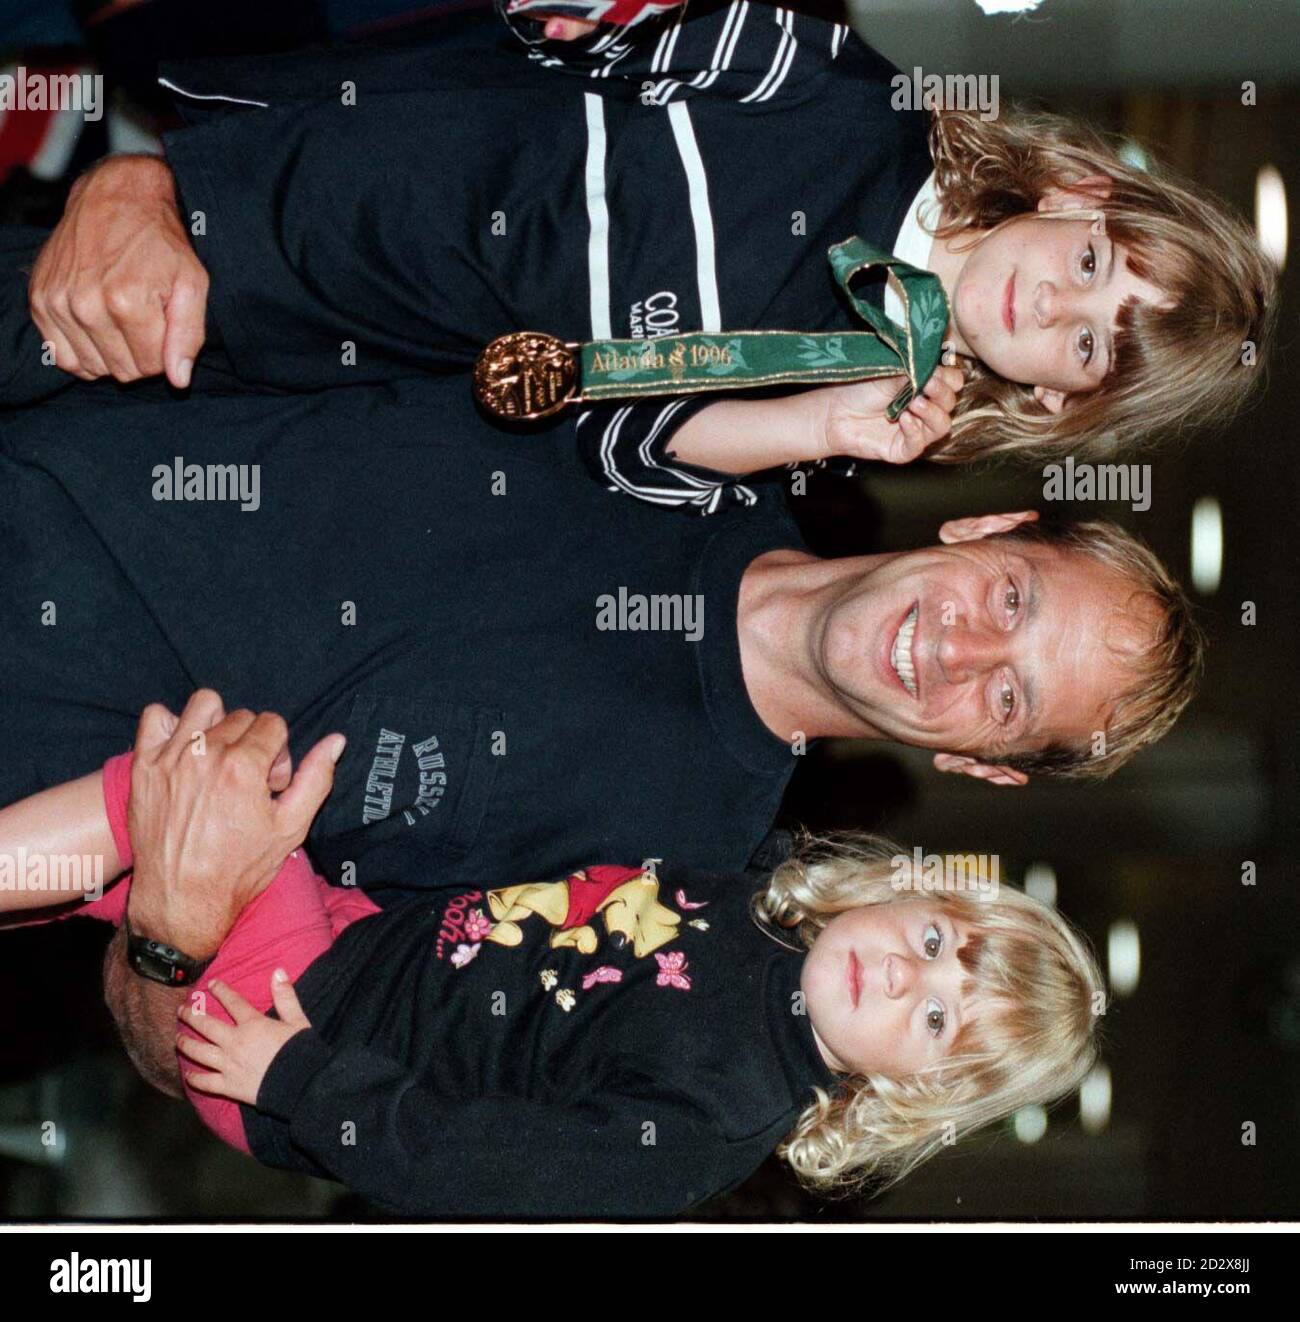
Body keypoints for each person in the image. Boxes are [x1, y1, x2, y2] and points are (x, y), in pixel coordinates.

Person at [0, 371, 1200, 917]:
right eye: (1009, 602)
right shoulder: (687, 407)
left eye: (1006, 702)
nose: (956, 652)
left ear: (983, 767)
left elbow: (260, 1025)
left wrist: (175, 926)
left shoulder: (660, 886)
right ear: (988, 522)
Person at [15, 0, 1275, 511]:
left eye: (1086, 340)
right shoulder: (847, 98)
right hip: (263, 190)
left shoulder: (848, 393)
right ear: (1074, 191)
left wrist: (818, 422)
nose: (1057, 297)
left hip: (265, 389)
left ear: (1056, 397)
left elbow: (604, 432)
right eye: (1098, 262)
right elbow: (566, 28)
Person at [2, 705, 1104, 1217]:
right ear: (913, 892)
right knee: (135, 844)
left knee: (193, 788)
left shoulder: (717, 1121)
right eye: (932, 944)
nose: (908, 977)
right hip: (359, 943)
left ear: (913, 1089)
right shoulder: (754, 912)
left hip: (308, 1037)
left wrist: (300, 1079)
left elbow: (486, 1167)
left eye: (934, 1020)